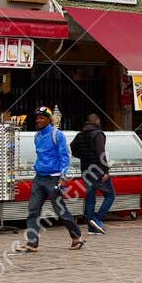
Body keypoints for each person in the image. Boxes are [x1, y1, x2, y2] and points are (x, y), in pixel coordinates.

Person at [18, 107, 85, 254]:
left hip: (54, 178)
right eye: (37, 117)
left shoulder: (57, 135)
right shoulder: (37, 136)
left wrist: (63, 177)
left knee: (60, 211)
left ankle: (77, 237)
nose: (38, 120)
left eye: (42, 117)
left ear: (49, 119)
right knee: (33, 210)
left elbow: (65, 157)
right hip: (39, 178)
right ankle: (32, 243)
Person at [71, 113, 114, 235]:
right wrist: (105, 170)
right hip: (98, 170)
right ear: (97, 121)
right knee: (110, 195)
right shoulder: (98, 134)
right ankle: (97, 219)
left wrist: (84, 156)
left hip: (85, 170)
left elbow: (72, 149)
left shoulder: (80, 135)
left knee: (90, 199)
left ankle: (92, 228)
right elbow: (101, 152)